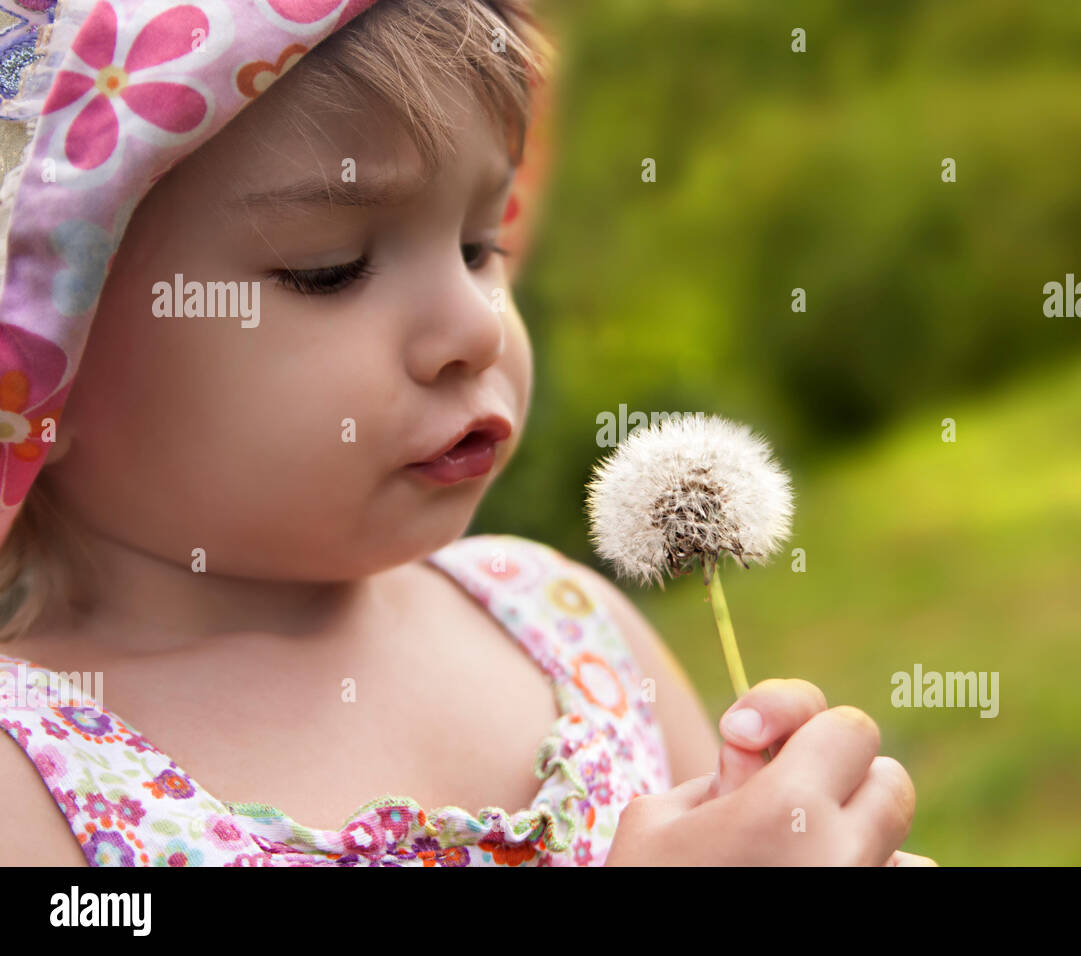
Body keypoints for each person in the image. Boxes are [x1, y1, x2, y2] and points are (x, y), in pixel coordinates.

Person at [0, 0, 934, 867]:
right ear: (45, 362)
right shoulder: (31, 779)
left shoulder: (569, 628)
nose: (480, 325)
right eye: (330, 269)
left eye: (480, 246)